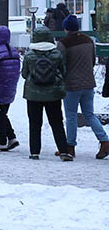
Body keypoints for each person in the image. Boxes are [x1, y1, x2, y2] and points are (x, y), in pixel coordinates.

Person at [57, 14, 109, 159]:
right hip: (88, 83)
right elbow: (93, 60)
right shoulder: (89, 41)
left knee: (71, 115)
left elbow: (60, 65)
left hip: (71, 85)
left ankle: (70, 147)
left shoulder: (64, 43)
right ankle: (104, 140)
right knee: (89, 114)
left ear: (66, 28)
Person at [21, 30, 74, 161]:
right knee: (56, 122)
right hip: (54, 94)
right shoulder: (56, 54)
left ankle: (34, 152)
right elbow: (63, 71)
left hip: (33, 95)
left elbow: (24, 74)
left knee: (34, 123)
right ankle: (63, 151)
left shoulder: (29, 55)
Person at [0, 25, 21, 151]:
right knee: (2, 113)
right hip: (10, 87)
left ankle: (2, 140)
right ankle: (12, 137)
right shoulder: (14, 51)